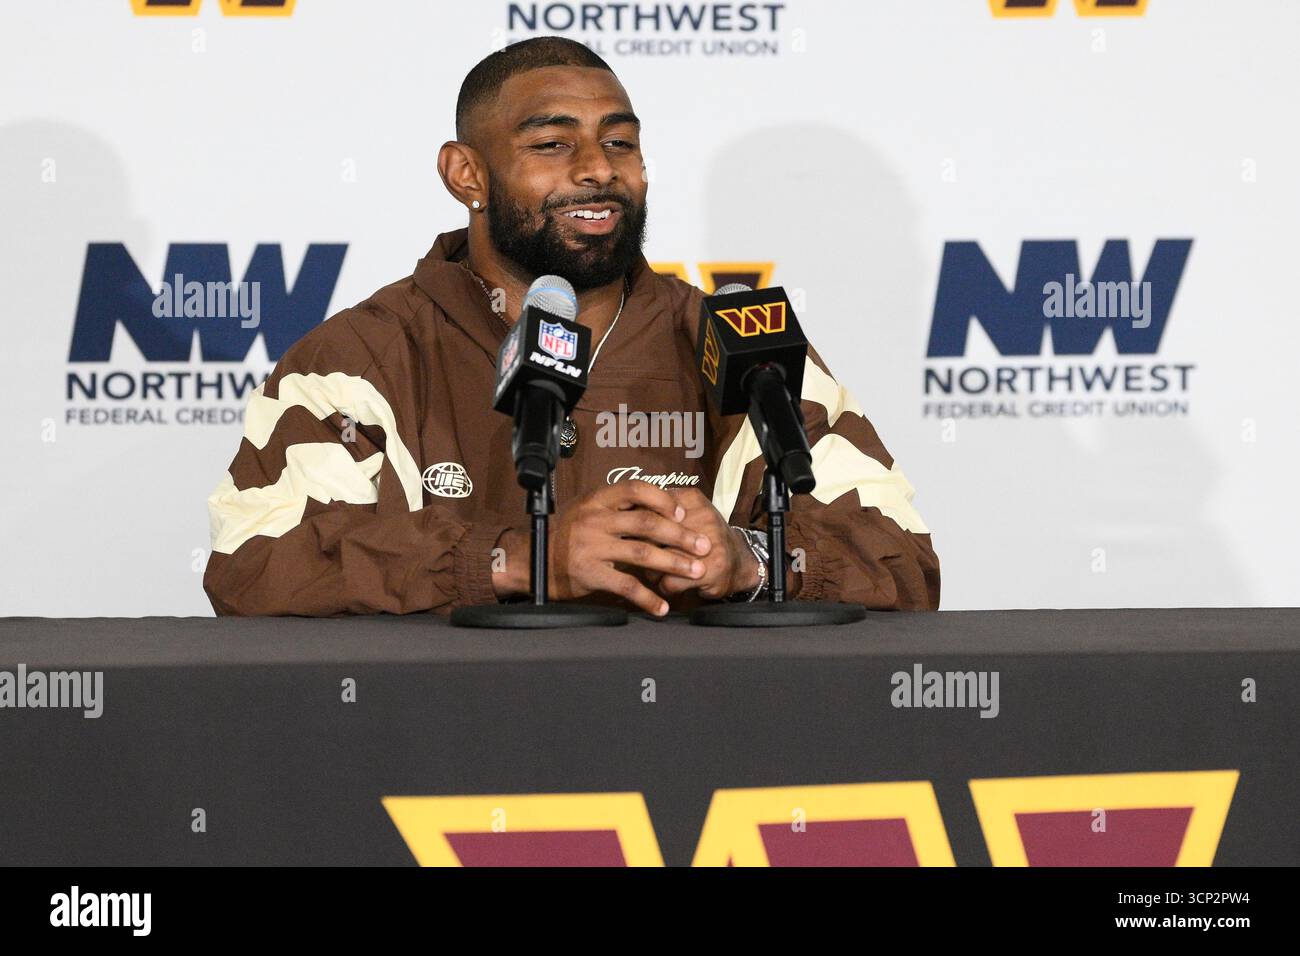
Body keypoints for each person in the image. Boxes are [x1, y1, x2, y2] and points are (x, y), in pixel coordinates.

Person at [203, 36, 939, 617]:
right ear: (468, 175)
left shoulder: (738, 337)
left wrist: (751, 559)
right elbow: (257, 562)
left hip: (697, 746)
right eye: (553, 145)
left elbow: (904, 558)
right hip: (453, 751)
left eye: (619, 142)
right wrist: (519, 558)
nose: (597, 169)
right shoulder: (363, 356)